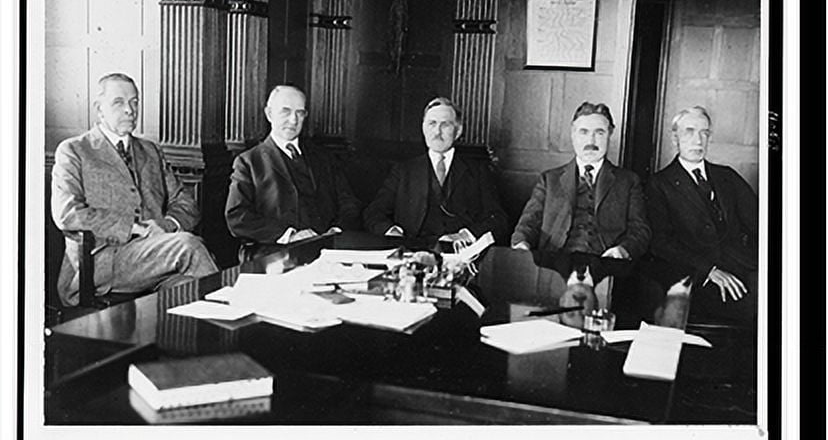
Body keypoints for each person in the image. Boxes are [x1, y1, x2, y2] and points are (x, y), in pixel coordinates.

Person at [51, 73, 218, 306]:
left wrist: (166, 225)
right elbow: (67, 214)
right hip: (100, 262)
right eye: (118, 102)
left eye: (134, 102)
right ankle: (234, 325)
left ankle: (216, 331)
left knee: (190, 288)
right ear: (99, 109)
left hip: (155, 260)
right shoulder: (75, 150)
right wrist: (134, 228)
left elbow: (186, 203)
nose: (130, 110)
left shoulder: (150, 151)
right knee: (189, 246)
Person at [510, 101, 650, 280]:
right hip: (554, 268)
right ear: (573, 134)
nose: (591, 141)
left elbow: (640, 230)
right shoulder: (550, 179)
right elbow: (528, 224)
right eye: (584, 132)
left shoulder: (628, 181)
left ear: (610, 134)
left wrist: (622, 250)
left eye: (599, 133)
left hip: (606, 268)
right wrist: (521, 244)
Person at [645, 106, 757, 322]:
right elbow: (660, 243)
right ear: (674, 137)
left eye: (704, 133)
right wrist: (708, 271)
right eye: (689, 131)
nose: (698, 140)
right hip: (695, 279)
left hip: (744, 271)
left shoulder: (727, 177)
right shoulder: (659, 184)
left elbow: (760, 224)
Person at [363, 97, 508, 248]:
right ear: (423, 128)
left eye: (445, 125)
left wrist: (464, 235)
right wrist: (393, 233)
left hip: (458, 255)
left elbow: (498, 219)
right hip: (411, 252)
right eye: (432, 124)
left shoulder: (477, 171)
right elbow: (373, 213)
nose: (437, 132)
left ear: (458, 131)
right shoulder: (404, 170)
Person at [225, 84, 360, 245]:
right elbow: (237, 216)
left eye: (300, 113)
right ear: (269, 114)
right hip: (273, 253)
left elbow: (349, 204)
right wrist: (289, 236)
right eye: (285, 111)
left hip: (327, 249)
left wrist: (336, 231)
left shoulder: (324, 157)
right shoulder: (249, 162)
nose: (293, 120)